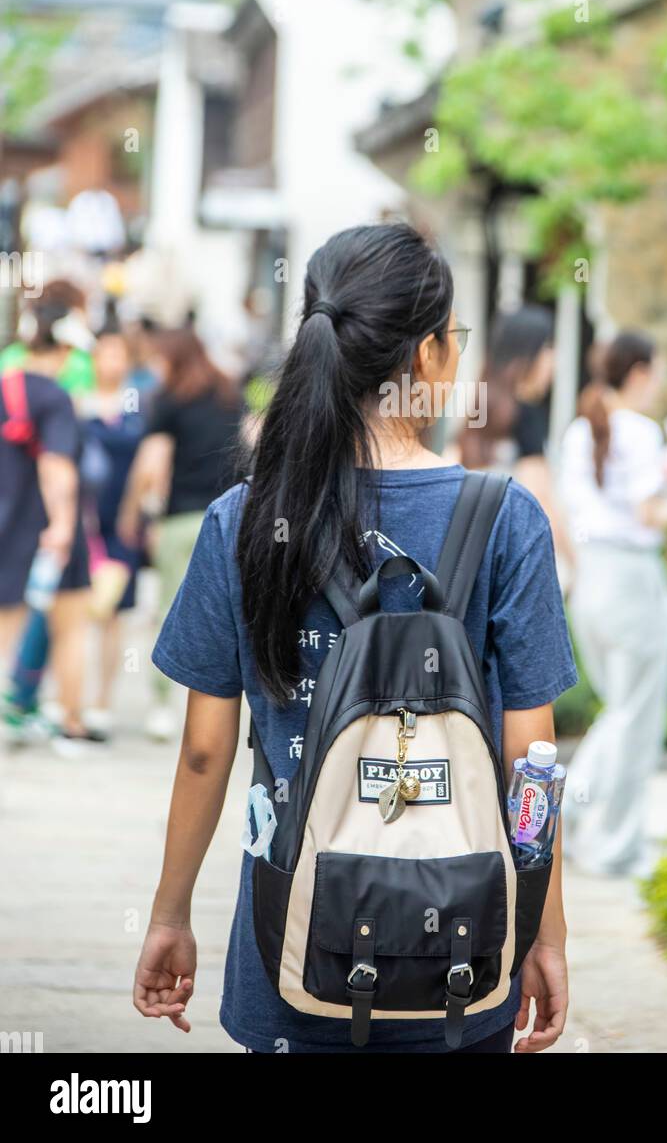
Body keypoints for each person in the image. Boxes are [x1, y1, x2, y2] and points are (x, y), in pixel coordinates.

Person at [133, 223, 578, 1054]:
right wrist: (541, 934)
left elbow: (204, 751)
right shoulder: (506, 517)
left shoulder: (243, 518)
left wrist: (170, 912)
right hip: (465, 954)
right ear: (434, 356)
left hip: (289, 948)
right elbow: (532, 760)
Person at [558, 331, 667, 878]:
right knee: (634, 719)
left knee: (619, 713)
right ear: (638, 372)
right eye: (658, 371)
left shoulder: (577, 429)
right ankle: (609, 845)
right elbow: (649, 514)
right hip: (633, 582)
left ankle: (564, 818)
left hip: (592, 579)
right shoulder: (640, 431)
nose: (659, 384)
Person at [118, 326, 243, 741]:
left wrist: (134, 515)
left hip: (180, 522)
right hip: (229, 521)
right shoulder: (231, 396)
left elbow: (151, 464)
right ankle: (221, 707)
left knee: (169, 611)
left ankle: (161, 706)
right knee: (224, 616)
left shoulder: (169, 402)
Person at [0, 297, 96, 746]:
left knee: (7, 624)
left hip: (8, 521)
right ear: (62, 350)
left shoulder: (6, 387)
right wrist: (61, 524)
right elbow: (57, 466)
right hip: (49, 528)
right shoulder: (55, 396)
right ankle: (72, 723)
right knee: (71, 626)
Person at [454, 305, 574, 586]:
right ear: (527, 353)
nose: (553, 362)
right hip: (516, 564)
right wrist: (575, 562)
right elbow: (540, 498)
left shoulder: (481, 412)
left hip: (476, 559)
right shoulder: (526, 416)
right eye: (549, 349)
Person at [77, 307, 147, 734]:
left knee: (115, 612)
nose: (110, 361)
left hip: (123, 523)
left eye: (118, 353)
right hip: (83, 523)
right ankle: (69, 696)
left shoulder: (138, 402)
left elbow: (146, 457)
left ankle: (102, 699)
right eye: (103, 352)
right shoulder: (77, 400)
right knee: (73, 611)